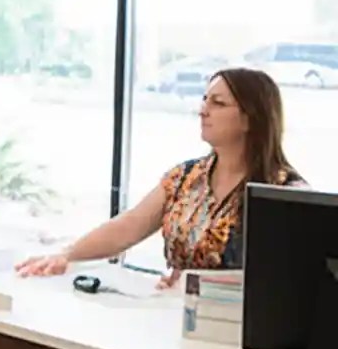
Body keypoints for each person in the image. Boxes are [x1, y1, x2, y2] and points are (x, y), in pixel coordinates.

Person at [17, 68, 307, 287]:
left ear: (250, 118)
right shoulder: (186, 178)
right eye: (204, 100)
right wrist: (67, 255)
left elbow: (289, 280)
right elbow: (129, 226)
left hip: (239, 332)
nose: (202, 111)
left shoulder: (284, 192)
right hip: (178, 319)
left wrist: (196, 288)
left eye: (218, 103)